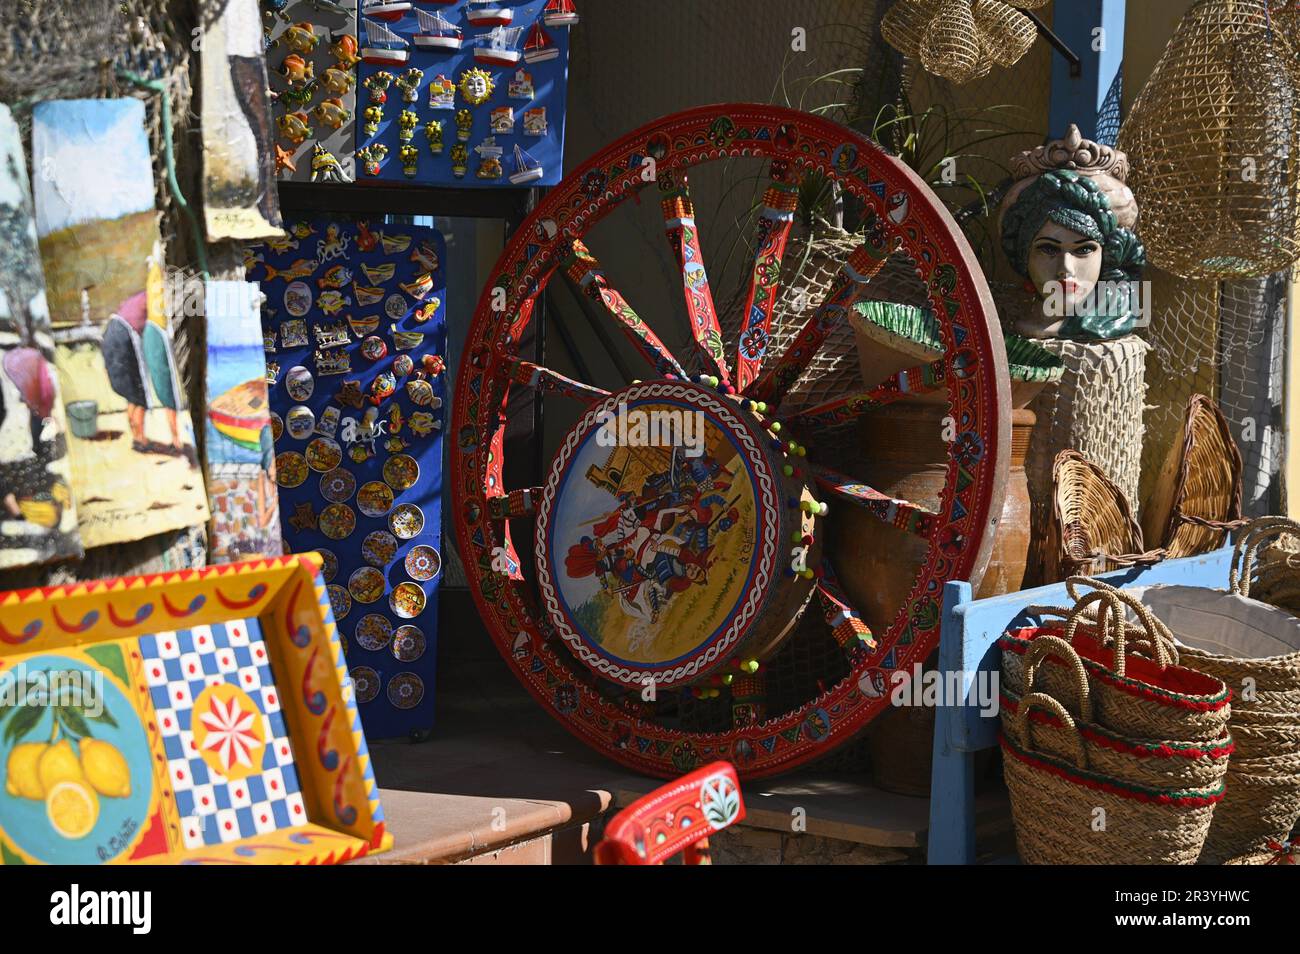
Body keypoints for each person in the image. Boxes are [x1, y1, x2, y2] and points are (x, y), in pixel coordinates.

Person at [1000, 169, 1146, 340]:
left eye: (1083, 250)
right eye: (1049, 249)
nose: (1066, 268)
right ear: (1024, 255)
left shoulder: (1119, 314)